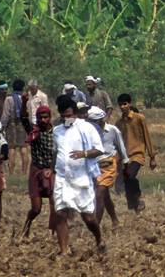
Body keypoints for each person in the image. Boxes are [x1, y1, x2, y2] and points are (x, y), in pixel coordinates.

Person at [49, 95, 105, 254]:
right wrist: (51, 169)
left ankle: (99, 238)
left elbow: (99, 149)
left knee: (88, 218)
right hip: (62, 177)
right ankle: (64, 251)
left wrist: (84, 153)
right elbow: (56, 153)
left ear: (74, 112)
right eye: (64, 115)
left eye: (69, 114)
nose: (67, 118)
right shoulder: (57, 131)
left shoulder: (87, 128)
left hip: (81, 177)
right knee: (60, 213)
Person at [115, 94, 157, 212]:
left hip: (137, 154)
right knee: (126, 179)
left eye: (125, 104)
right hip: (125, 156)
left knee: (130, 176)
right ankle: (135, 206)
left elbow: (147, 137)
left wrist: (152, 157)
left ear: (129, 104)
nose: (123, 106)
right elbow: (117, 143)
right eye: (120, 104)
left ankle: (138, 197)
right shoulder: (118, 123)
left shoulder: (139, 118)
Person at [21, 106, 56, 237]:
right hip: (36, 171)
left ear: (50, 117)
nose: (43, 120)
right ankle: (27, 225)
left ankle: (54, 232)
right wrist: (24, 102)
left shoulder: (56, 132)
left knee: (54, 204)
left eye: (45, 117)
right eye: (40, 117)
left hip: (51, 171)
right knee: (36, 209)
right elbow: (23, 119)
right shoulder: (34, 132)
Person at [89, 107, 126, 229]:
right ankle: (115, 219)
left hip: (109, 165)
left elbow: (120, 145)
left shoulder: (112, 130)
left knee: (99, 194)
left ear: (102, 119)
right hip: (94, 166)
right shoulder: (89, 131)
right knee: (105, 196)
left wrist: (125, 161)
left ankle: (96, 226)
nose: (93, 124)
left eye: (96, 121)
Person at [2, 80, 30, 176]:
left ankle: (11, 172)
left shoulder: (9, 99)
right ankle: (24, 172)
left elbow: (6, 115)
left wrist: (2, 126)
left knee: (11, 148)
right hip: (23, 123)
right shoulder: (25, 98)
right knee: (24, 147)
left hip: (12, 124)